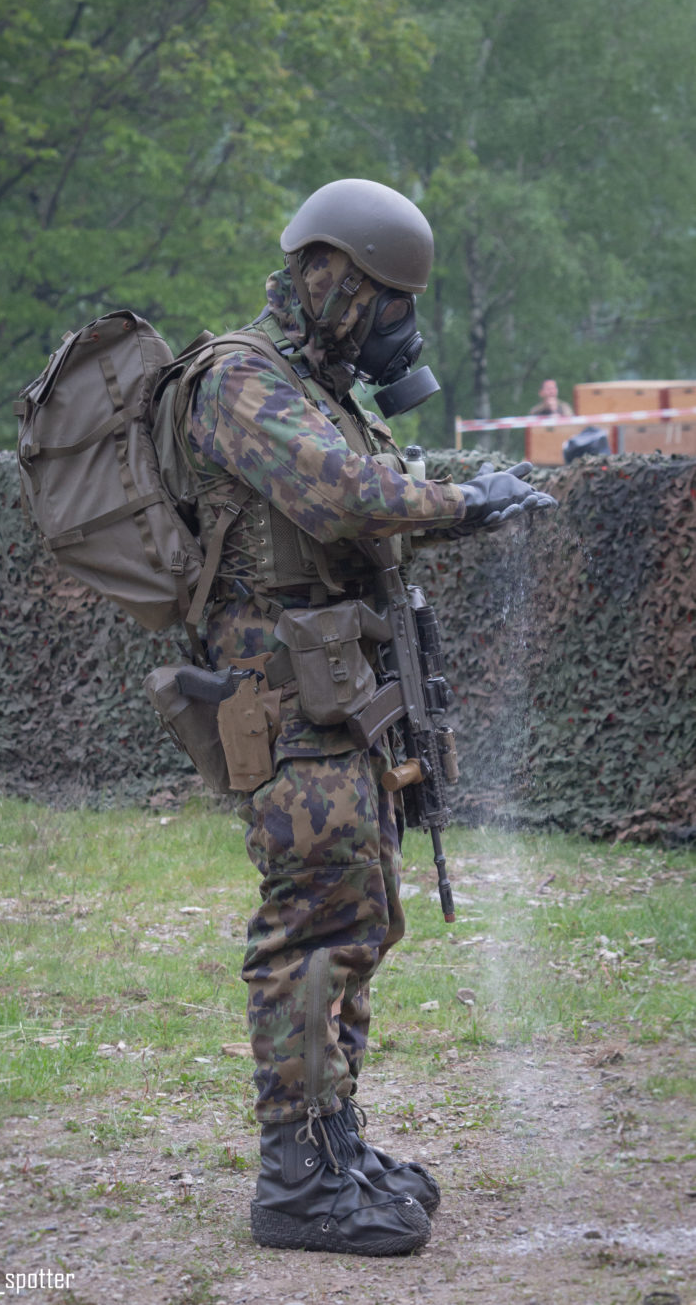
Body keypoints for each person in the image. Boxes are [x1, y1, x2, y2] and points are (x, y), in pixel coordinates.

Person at [172, 179, 557, 1256]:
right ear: (324, 273)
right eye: (386, 298)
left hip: (340, 703)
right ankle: (295, 1178)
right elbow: (342, 493)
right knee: (310, 933)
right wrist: (465, 501)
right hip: (285, 707)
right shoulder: (238, 380)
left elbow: (379, 480)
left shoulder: (320, 386)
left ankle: (333, 1142)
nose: (395, 323)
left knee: (358, 924)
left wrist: (466, 487)